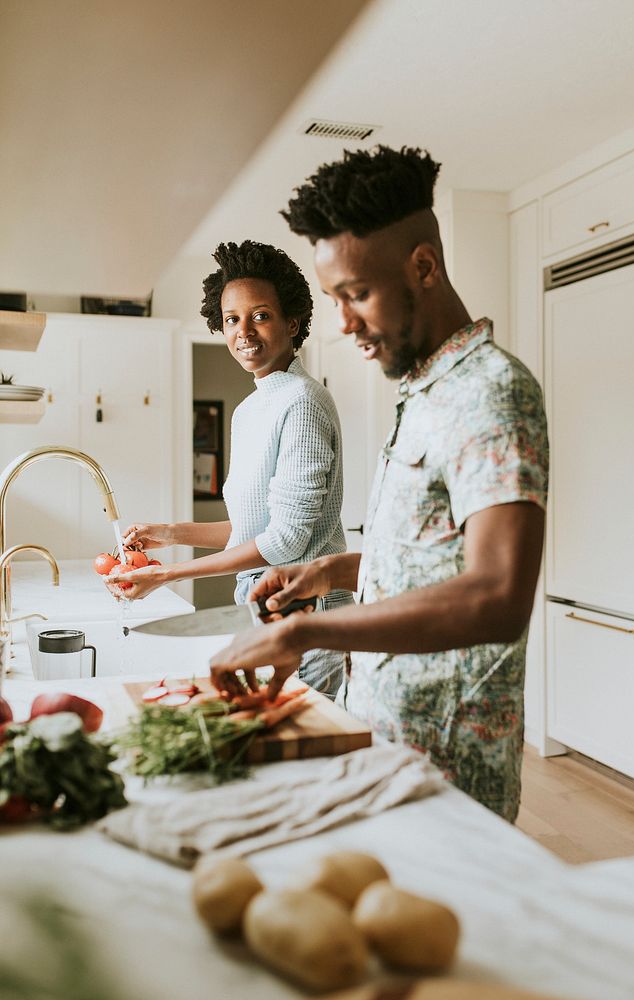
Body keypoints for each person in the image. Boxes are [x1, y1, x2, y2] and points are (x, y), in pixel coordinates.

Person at [209, 147, 549, 822]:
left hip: (449, 764)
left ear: (423, 267)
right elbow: (435, 561)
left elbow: (498, 592)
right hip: (387, 737)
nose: (343, 323)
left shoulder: (490, 391)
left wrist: (306, 637)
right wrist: (332, 569)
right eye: (335, 299)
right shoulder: (423, 392)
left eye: (357, 295)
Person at [107, 239, 353, 698]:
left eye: (260, 315)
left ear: (292, 322)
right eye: (231, 320)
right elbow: (252, 530)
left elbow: (285, 543)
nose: (244, 331)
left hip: (310, 614)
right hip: (262, 610)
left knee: (297, 743)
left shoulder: (302, 403)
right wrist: (171, 532)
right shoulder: (249, 410)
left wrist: (167, 576)